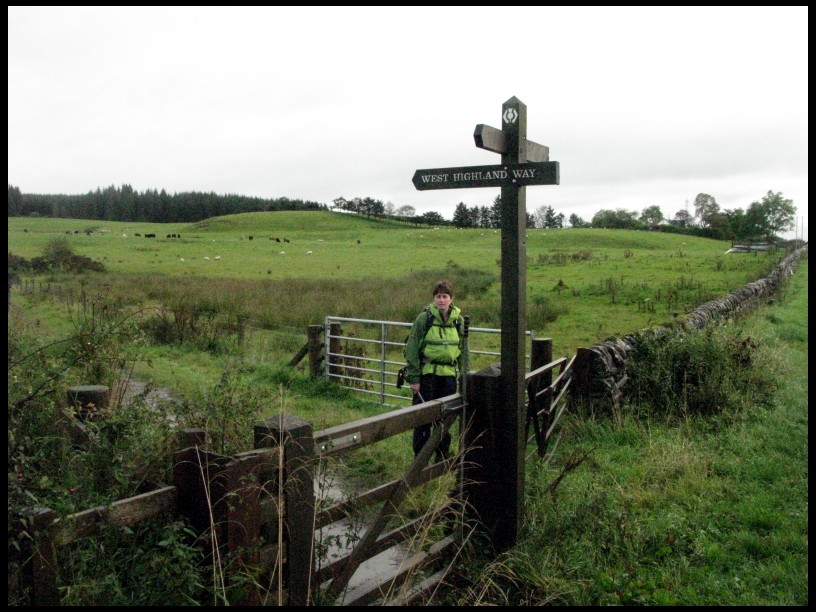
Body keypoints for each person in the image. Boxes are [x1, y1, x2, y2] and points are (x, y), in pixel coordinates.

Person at [404, 279, 465, 462]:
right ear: (434, 298)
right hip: (427, 376)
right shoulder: (425, 318)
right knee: (423, 418)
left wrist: (465, 375)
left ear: (451, 299)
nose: (441, 300)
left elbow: (463, 350)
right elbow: (412, 348)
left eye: (445, 296)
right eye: (438, 296)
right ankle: (420, 460)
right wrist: (414, 379)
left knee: (445, 418)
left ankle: (442, 457)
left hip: (448, 377)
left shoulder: (458, 321)